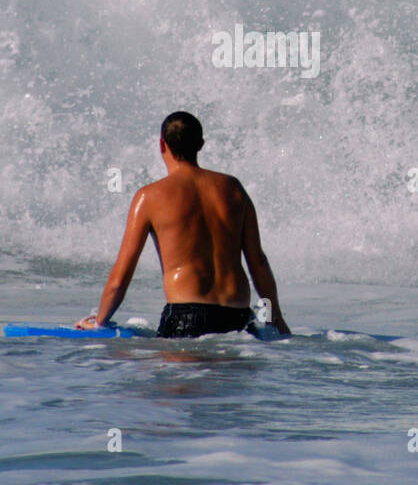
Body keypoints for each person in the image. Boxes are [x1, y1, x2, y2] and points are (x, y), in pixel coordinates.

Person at [75, 111, 290, 338]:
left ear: (161, 145)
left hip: (186, 316)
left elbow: (121, 278)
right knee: (229, 374)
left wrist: (100, 322)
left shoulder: (149, 196)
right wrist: (277, 319)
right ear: (201, 144)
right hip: (238, 317)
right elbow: (258, 263)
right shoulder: (234, 189)